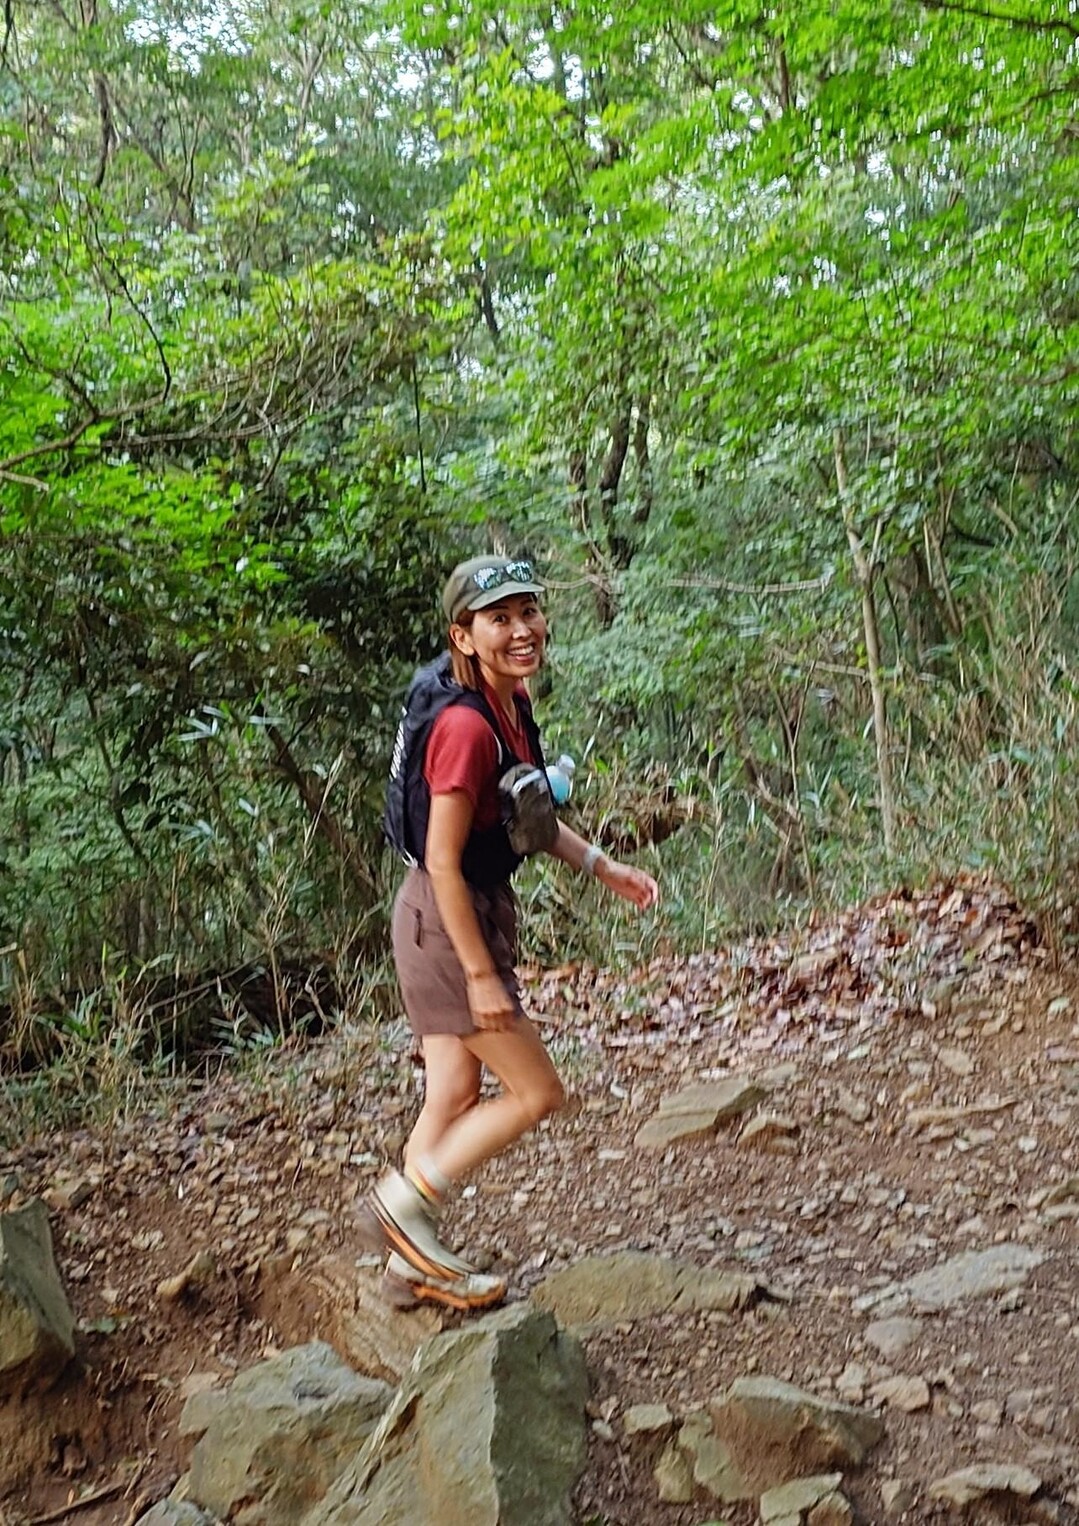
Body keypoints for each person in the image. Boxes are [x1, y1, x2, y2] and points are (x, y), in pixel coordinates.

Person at [358, 554, 659, 1311]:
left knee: (455, 1086)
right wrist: (482, 974)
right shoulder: (463, 728)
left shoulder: (508, 701)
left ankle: (406, 1268)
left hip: (450, 911)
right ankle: (404, 1207)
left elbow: (524, 818)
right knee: (536, 1091)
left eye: (528, 611)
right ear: (463, 635)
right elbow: (442, 859)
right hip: (446, 918)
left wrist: (603, 866)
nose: (521, 629)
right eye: (499, 618)